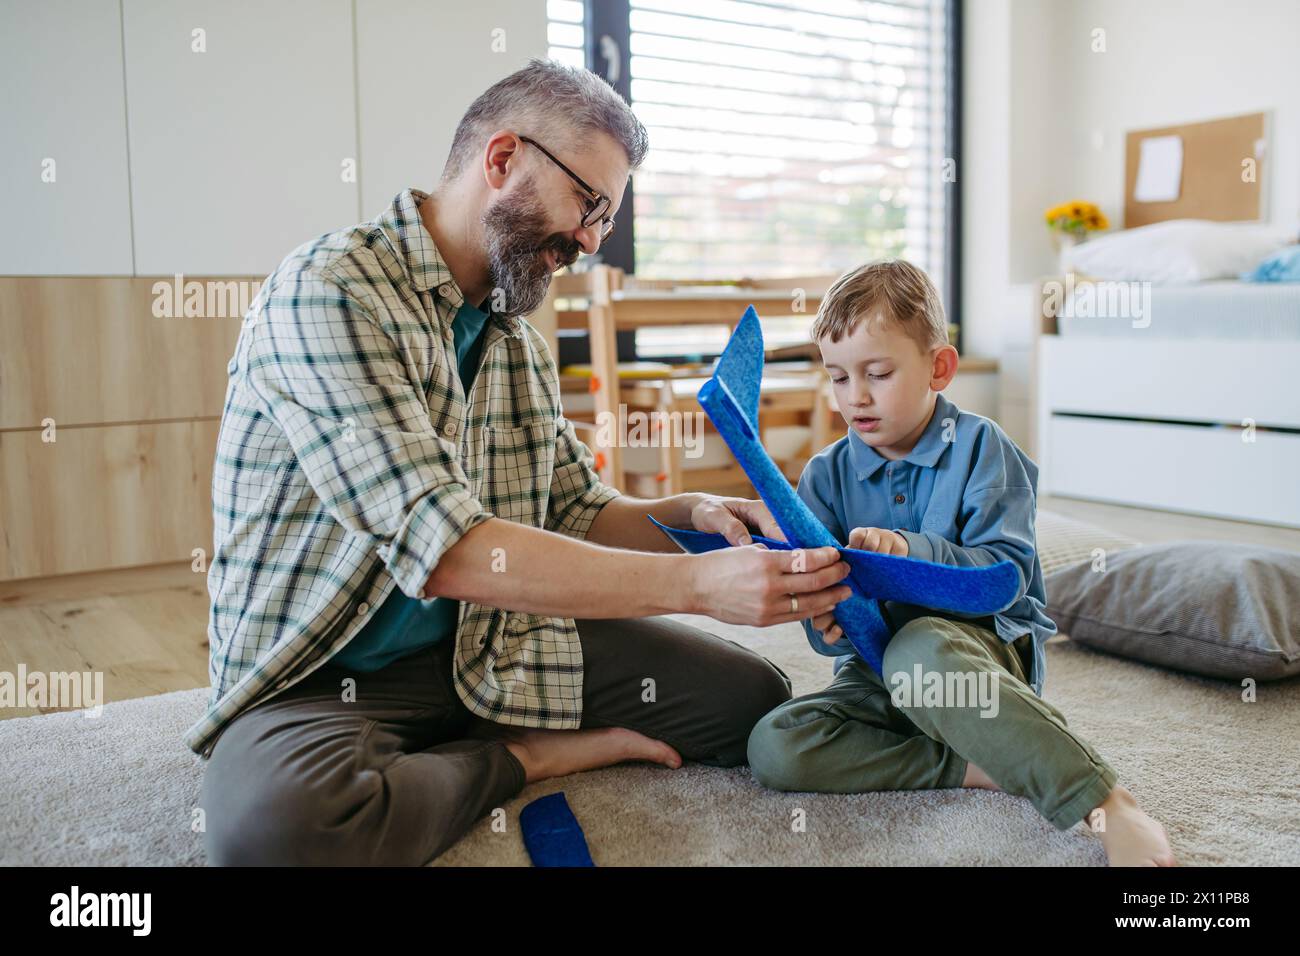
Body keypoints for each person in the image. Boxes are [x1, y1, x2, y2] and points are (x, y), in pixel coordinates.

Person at [190, 59, 854, 865]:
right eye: (589, 203)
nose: (591, 239)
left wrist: (692, 519)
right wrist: (697, 589)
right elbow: (450, 549)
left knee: (751, 703)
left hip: (484, 644)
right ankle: (521, 755)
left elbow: (577, 509)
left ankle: (472, 734)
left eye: (605, 219)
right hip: (330, 677)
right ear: (502, 160)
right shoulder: (329, 292)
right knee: (281, 836)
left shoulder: (512, 338)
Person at [745, 259, 1177, 866]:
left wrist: (909, 549)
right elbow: (825, 618)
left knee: (919, 649)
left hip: (971, 656)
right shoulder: (824, 474)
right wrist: (823, 623)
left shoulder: (982, 449)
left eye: (878, 373)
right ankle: (976, 764)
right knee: (775, 746)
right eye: (838, 377)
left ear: (939, 368)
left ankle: (1109, 801)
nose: (856, 396)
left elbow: (1003, 578)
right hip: (874, 674)